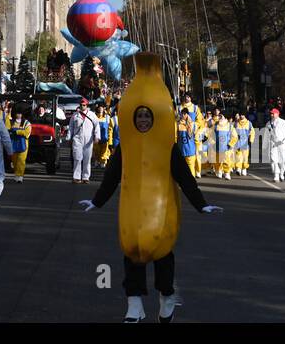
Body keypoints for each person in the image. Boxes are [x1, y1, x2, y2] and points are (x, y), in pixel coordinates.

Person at [79, 105, 223, 322]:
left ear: (154, 120)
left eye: (147, 116)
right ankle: (134, 305)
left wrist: (201, 204)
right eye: (139, 116)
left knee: (162, 256)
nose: (143, 120)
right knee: (133, 253)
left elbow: (184, 177)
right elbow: (112, 177)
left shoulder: (167, 147)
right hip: (134, 210)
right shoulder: (126, 146)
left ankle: (167, 297)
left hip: (160, 210)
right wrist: (97, 201)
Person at [68, 100, 100, 183]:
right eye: (81, 105)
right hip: (77, 138)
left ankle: (85, 177)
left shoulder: (92, 115)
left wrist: (97, 136)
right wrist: (69, 137)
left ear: (87, 105)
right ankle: (76, 177)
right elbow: (71, 127)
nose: (82, 106)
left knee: (87, 158)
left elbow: (97, 126)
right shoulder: (75, 115)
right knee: (77, 158)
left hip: (88, 139)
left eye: (84, 105)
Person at [264, 108, 285, 181]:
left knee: (284, 160)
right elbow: (266, 135)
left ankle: (282, 173)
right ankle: (276, 174)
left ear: (277, 114)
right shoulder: (268, 123)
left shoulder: (283, 122)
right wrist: (265, 145)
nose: (271, 115)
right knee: (273, 160)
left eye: (273, 113)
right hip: (273, 143)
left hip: (282, 143)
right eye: (271, 113)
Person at [8, 109, 31, 183]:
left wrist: (17, 131)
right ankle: (16, 174)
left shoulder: (26, 123)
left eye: (20, 113)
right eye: (17, 112)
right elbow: (7, 130)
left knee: (21, 160)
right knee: (14, 160)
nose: (18, 114)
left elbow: (27, 132)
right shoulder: (11, 122)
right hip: (14, 143)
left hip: (23, 144)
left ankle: (20, 176)